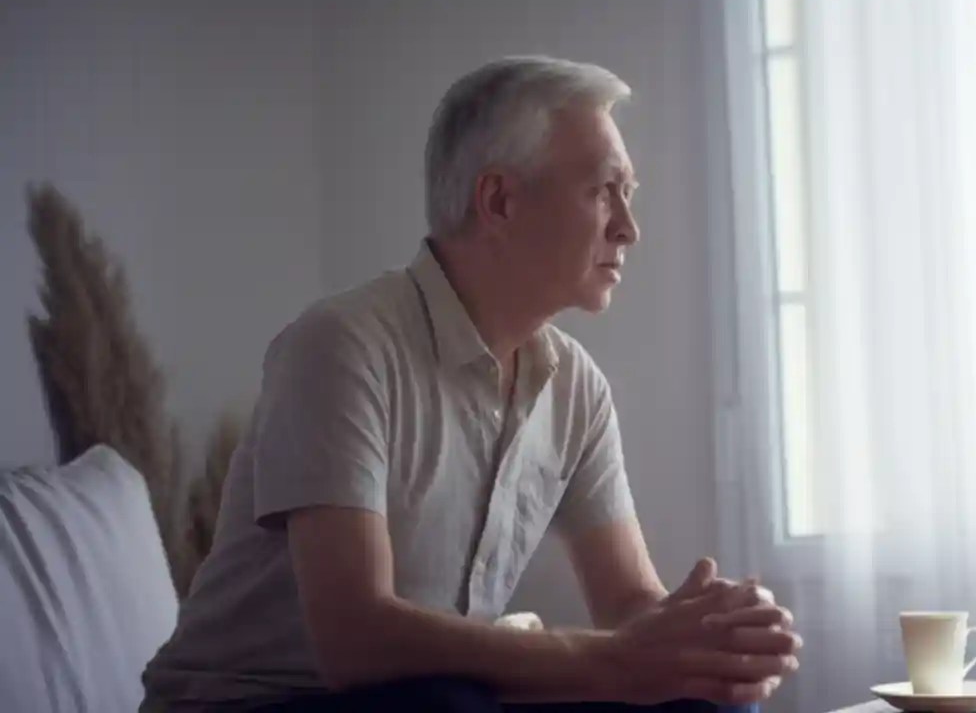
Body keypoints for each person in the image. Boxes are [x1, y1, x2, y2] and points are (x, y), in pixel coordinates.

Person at [141, 56, 800, 712]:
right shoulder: (340, 346)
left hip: (437, 697)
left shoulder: (576, 389)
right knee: (444, 704)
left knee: (701, 704)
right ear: (499, 201)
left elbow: (629, 604)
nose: (629, 226)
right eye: (603, 190)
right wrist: (615, 662)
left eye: (628, 194)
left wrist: (704, 644)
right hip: (256, 703)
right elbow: (357, 644)